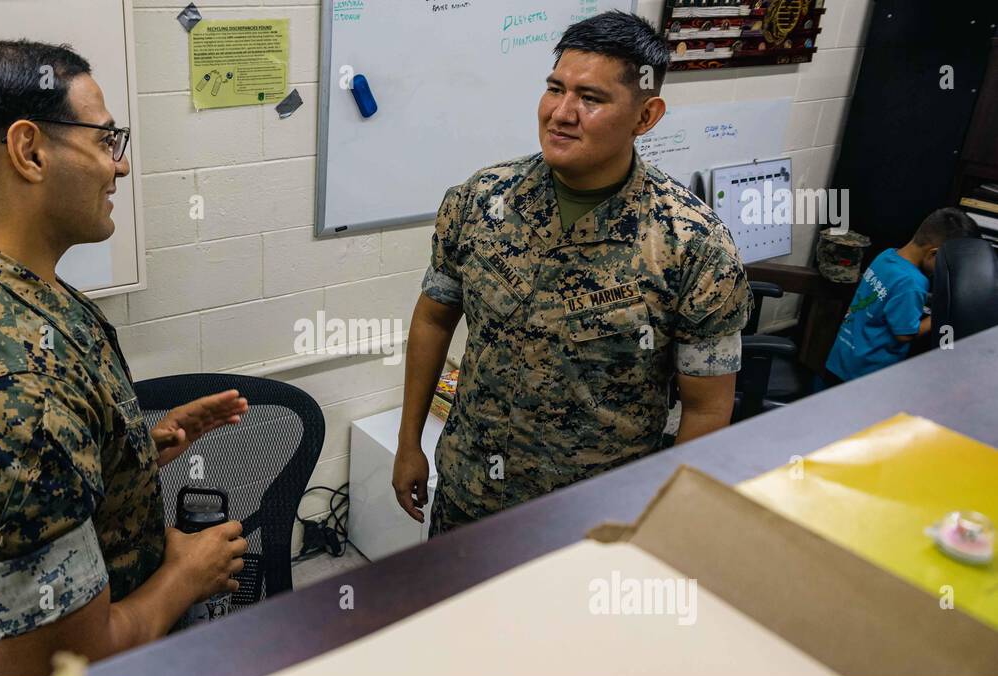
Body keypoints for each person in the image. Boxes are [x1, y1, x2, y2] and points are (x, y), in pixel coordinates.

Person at [0, 40, 247, 676]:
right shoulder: (9, 402)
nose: (118, 168)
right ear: (30, 150)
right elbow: (57, 672)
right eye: (105, 140)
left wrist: (126, 454)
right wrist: (185, 576)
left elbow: (30, 485)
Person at [393, 11, 751, 533]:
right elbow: (432, 319)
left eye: (591, 98)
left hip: (593, 518)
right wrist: (409, 444)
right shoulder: (481, 200)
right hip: (469, 494)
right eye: (554, 88)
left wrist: (666, 518)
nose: (561, 113)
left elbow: (706, 408)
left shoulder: (691, 245)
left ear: (645, 116)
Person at [823, 207, 980, 385]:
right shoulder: (913, 283)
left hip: (842, 358)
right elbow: (905, 334)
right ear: (933, 253)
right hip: (867, 374)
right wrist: (940, 312)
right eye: (948, 265)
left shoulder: (886, 256)